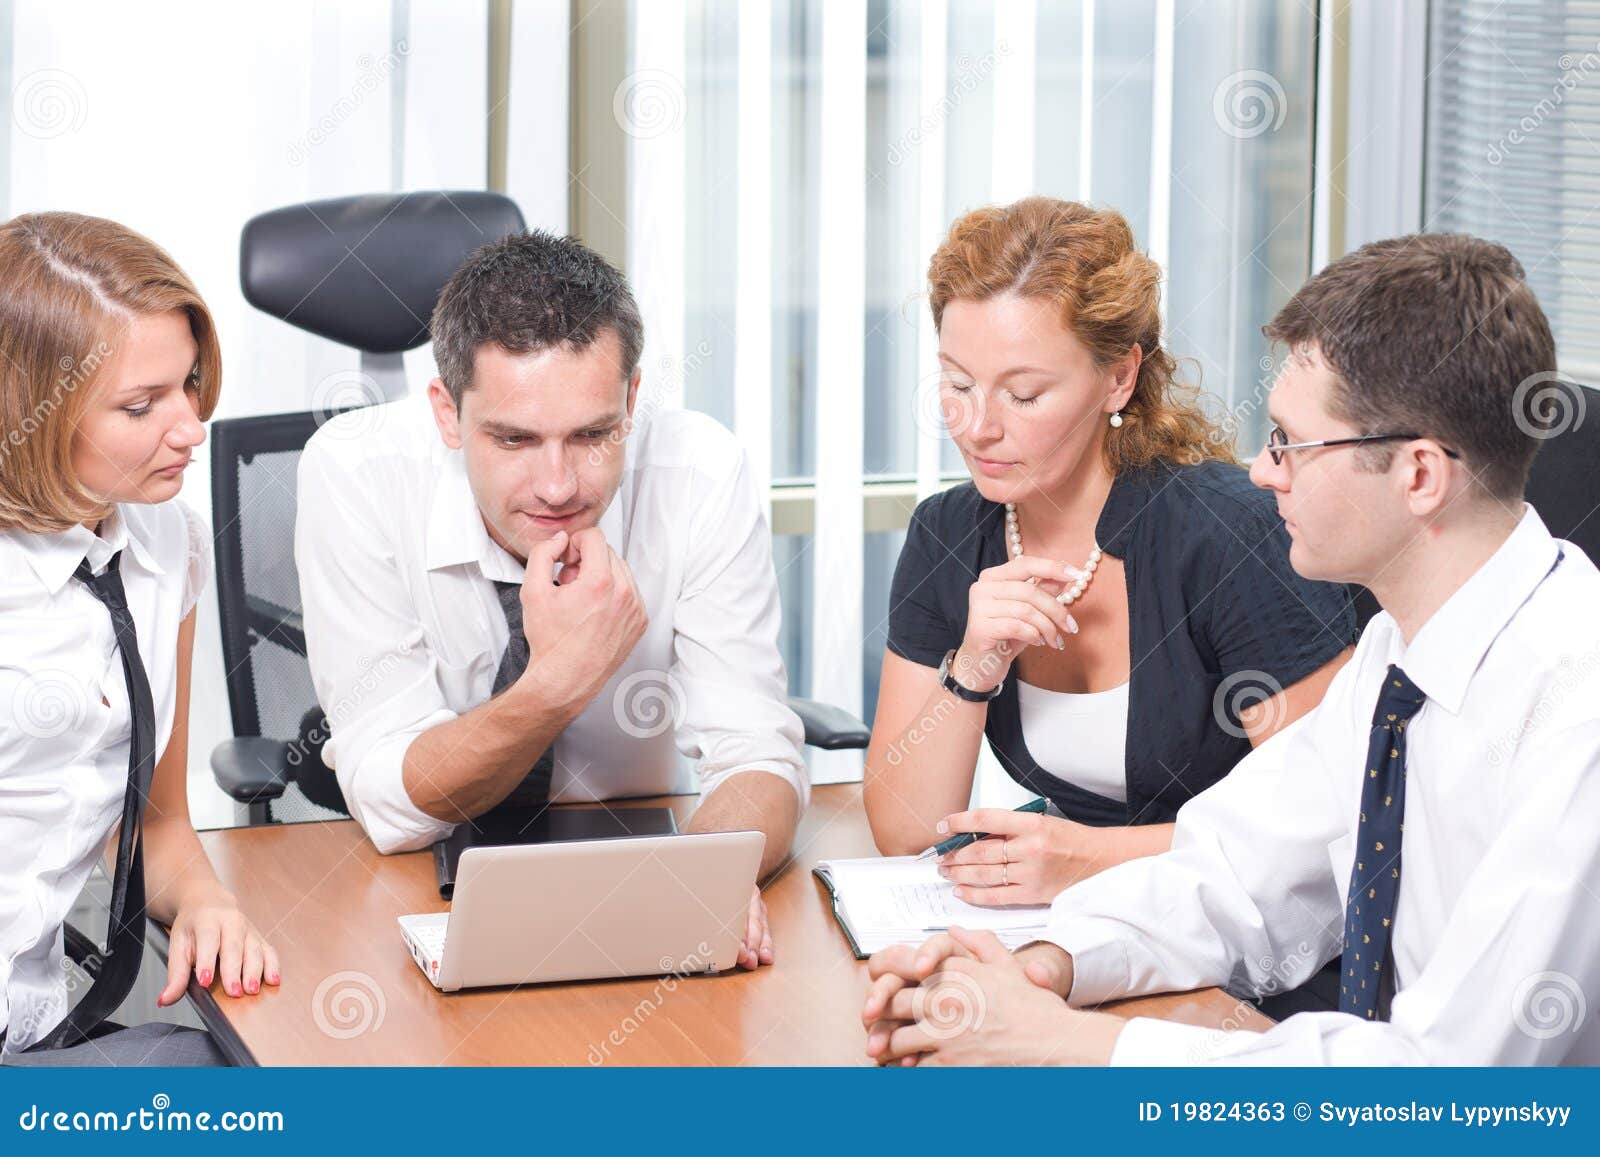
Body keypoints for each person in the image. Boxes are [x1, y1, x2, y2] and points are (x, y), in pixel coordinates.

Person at [862, 232, 1600, 1066]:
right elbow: (1234, 875)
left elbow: (1450, 1080)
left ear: (1420, 475)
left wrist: (1073, 1045)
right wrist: (1039, 969)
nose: (1262, 471)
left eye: (1291, 442)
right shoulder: (1397, 659)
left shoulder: (1576, 711)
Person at [295, 230, 806, 969]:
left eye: (594, 434)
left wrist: (693, 880)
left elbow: (758, 753)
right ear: (446, 412)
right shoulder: (357, 471)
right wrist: (558, 682)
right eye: (513, 440)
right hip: (417, 889)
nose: (559, 485)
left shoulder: (701, 470)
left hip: (645, 864)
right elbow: (389, 800)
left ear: (632, 401)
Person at [866, 197, 1355, 903]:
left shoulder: (1232, 536)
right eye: (957, 384)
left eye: (1025, 394)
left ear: (1119, 378)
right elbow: (902, 828)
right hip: (1092, 925)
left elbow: (1323, 820)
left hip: (1263, 948)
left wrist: (1091, 858)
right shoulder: (947, 535)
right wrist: (973, 667)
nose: (976, 427)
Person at [0, 212, 279, 1065]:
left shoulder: (168, 543)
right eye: (140, 405)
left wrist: (204, 899)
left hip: (34, 1022)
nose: (192, 427)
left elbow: (156, 824)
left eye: (189, 383)